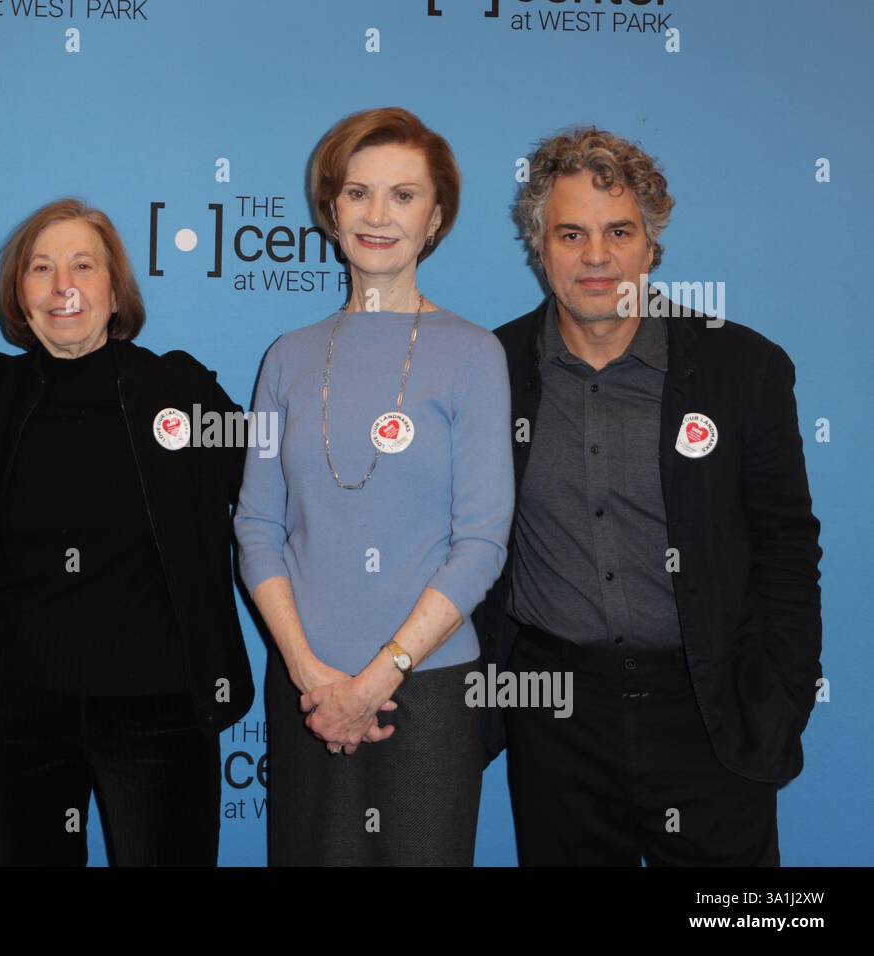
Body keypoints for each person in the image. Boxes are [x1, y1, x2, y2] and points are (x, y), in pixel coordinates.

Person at [473, 126, 823, 866]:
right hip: (553, 713)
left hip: (709, 709)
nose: (595, 256)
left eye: (618, 232)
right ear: (539, 246)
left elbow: (788, 547)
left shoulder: (744, 368)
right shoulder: (486, 370)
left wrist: (781, 697)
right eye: (571, 233)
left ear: (651, 247)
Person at [234, 108, 514, 866]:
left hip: (428, 688)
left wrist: (379, 675)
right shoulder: (286, 358)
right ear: (332, 210)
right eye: (358, 193)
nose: (378, 215)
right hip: (307, 689)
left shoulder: (473, 354)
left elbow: (482, 541)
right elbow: (258, 527)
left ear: (437, 216)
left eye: (403, 195)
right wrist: (308, 672)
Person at [0, 198, 254, 866]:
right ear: (18, 292)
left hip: (160, 708)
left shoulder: (180, 389)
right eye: (41, 268)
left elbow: (281, 500)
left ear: (114, 290)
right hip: (18, 707)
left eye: (84, 266)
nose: (63, 286)